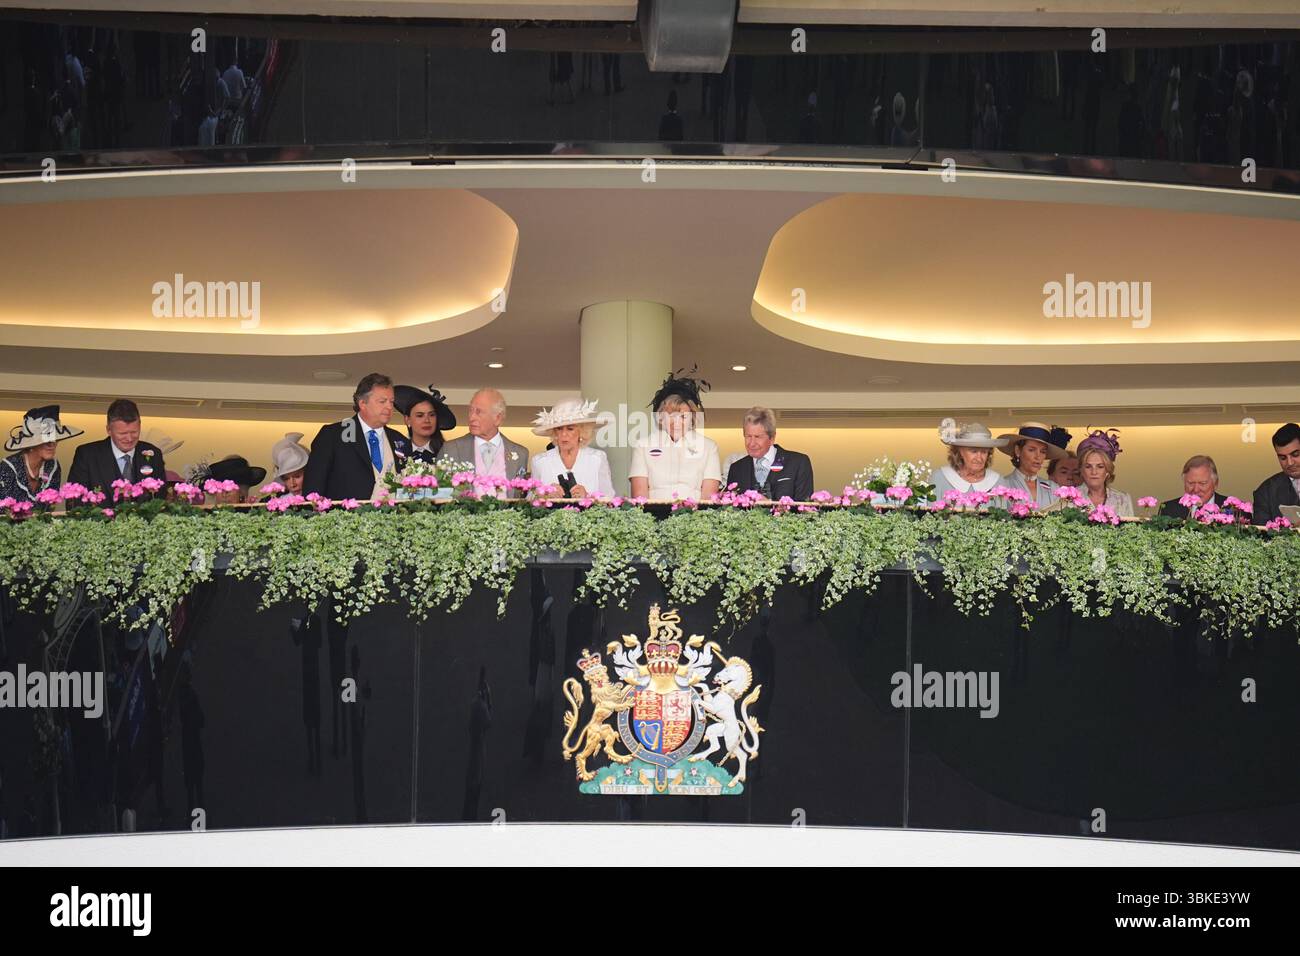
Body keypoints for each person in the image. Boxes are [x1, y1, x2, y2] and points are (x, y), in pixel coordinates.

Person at [303, 373, 412, 501]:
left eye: (391, 402)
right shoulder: (333, 435)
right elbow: (313, 489)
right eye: (382, 401)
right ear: (362, 403)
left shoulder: (400, 440)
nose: (389, 407)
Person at [629, 369, 722, 501]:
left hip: (694, 517)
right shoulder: (643, 446)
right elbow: (639, 495)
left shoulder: (709, 447)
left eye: (683, 416)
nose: (676, 422)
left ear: (692, 418)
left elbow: (709, 497)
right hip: (653, 516)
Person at [439, 388, 530, 499]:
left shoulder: (521, 453)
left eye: (478, 412)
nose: (471, 417)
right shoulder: (451, 449)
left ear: (497, 418)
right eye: (470, 411)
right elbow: (441, 495)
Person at [68, 399, 167, 495]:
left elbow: (161, 497)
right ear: (109, 430)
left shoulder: (154, 454)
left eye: (134, 432)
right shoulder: (87, 455)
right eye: (122, 433)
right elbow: (75, 500)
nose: (129, 439)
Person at [529, 397, 614, 498]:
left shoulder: (597, 458)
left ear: (582, 431)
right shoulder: (540, 461)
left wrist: (587, 496)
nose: (564, 434)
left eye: (570, 429)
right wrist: (545, 494)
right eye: (559, 429)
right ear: (554, 432)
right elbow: (529, 498)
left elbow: (609, 498)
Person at [725, 406, 814, 501]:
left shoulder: (799, 463)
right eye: (748, 436)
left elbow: (805, 509)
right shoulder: (736, 468)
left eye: (758, 437)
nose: (751, 443)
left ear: (772, 438)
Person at [1, 406, 83, 504]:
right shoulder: (8, 467)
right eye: (46, 440)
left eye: (55, 439)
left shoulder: (53, 466)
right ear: (31, 443)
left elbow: (49, 508)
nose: (52, 444)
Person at [995, 422, 1065, 508]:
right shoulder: (1003, 486)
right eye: (1031, 450)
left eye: (1043, 452)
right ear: (1018, 451)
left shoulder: (1053, 488)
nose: (1038, 456)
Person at [930, 421, 1006, 497]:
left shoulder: (998, 481)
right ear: (960, 451)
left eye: (984, 452)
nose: (979, 458)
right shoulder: (940, 477)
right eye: (974, 451)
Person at [1074, 428, 1134, 517]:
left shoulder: (1122, 499)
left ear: (1108, 471)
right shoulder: (1069, 498)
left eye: (1100, 467)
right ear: (1081, 470)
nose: (1094, 472)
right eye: (1088, 466)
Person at [393, 384, 456, 464]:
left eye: (431, 415)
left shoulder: (449, 454)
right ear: (407, 419)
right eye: (420, 415)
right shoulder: (397, 453)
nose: (427, 420)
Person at [1251, 422, 1300, 525]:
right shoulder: (1266, 492)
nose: (1290, 463)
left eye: (1295, 454)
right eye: (1283, 458)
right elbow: (1261, 536)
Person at [1159, 455, 1230, 518]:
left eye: (1202, 483)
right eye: (1191, 483)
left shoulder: (1235, 510)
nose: (1196, 490)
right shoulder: (1168, 510)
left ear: (1215, 484)